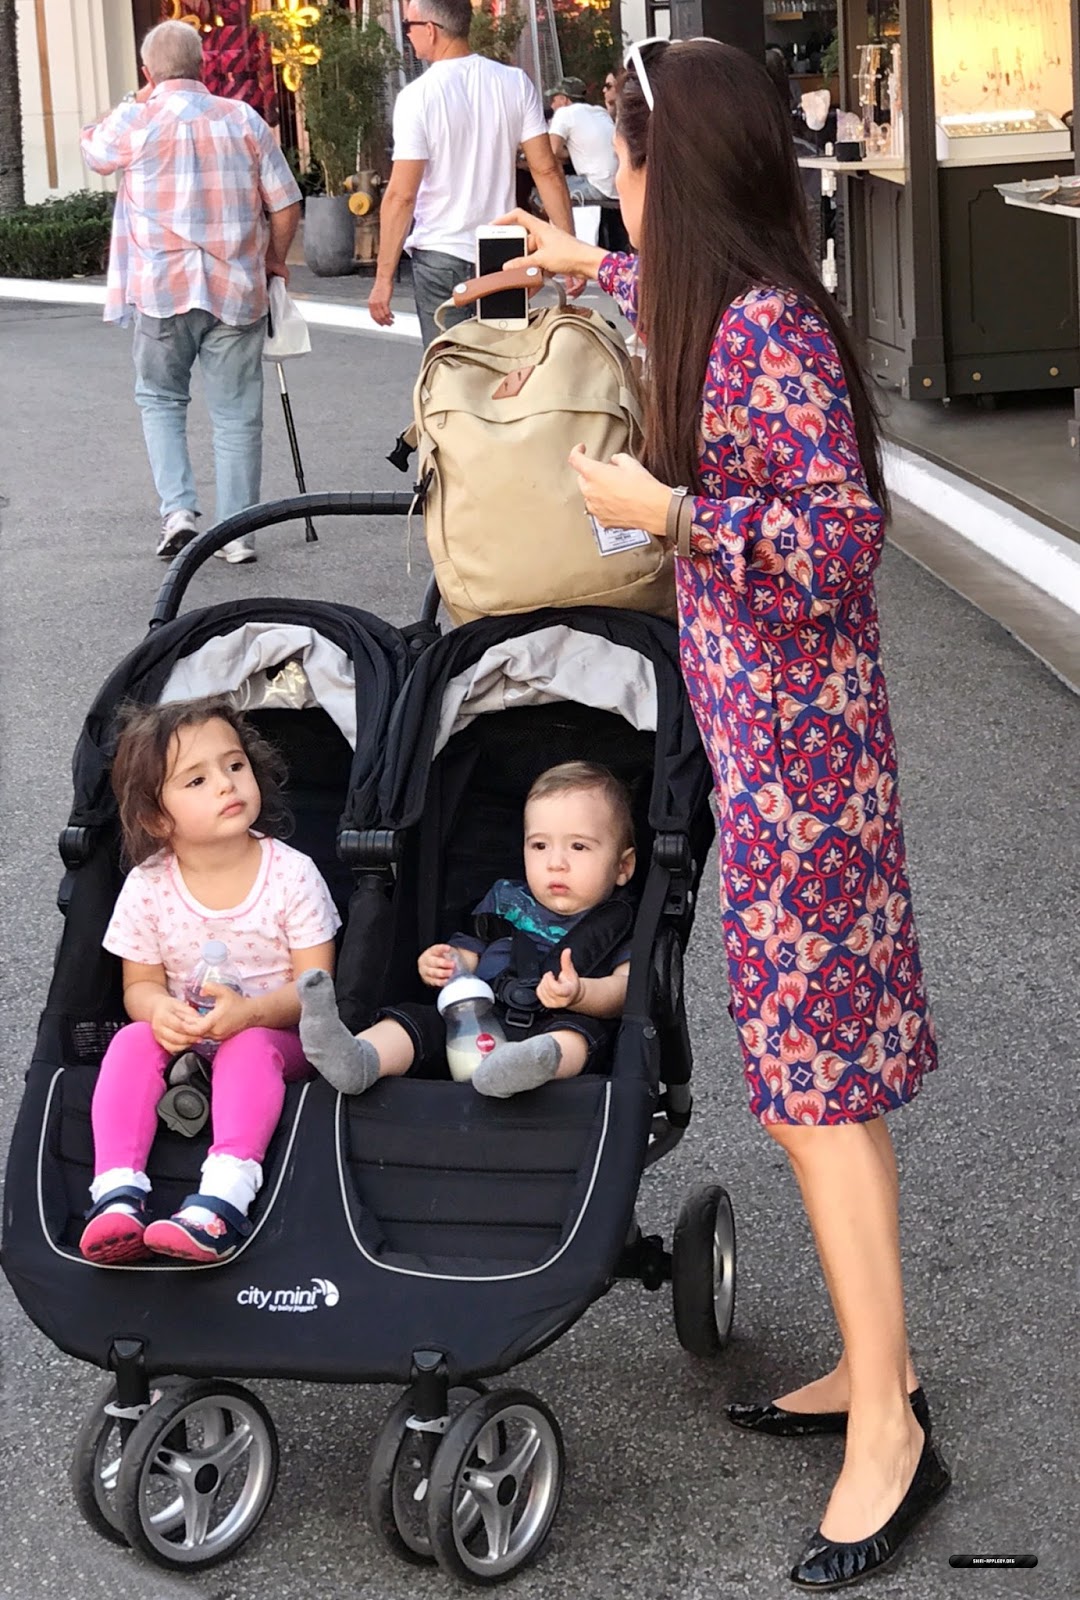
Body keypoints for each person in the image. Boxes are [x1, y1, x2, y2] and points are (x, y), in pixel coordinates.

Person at [496, 38, 950, 1592]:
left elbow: (840, 539)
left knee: (816, 1098)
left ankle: (889, 1429)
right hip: (784, 773)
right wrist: (583, 263)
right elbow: (661, 307)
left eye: (626, 160)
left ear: (670, 170)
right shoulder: (723, 305)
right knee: (813, 1095)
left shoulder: (761, 331)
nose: (616, 186)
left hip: (800, 787)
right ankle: (874, 1366)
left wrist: (669, 512)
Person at [79, 696, 339, 1266]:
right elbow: (139, 985)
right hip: (192, 1035)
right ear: (155, 818)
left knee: (246, 1048)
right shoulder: (149, 887)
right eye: (197, 780)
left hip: (280, 1036)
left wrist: (249, 1014)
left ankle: (223, 1198)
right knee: (130, 1039)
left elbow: (316, 988)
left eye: (235, 765)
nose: (227, 784)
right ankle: (117, 1193)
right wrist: (157, 1011)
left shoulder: (291, 875)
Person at [80, 20, 301, 565]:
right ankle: (238, 534)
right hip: (237, 288)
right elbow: (286, 203)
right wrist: (273, 259)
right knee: (237, 415)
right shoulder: (243, 119)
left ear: (148, 71)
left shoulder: (138, 120)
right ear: (204, 65)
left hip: (161, 289)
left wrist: (137, 97)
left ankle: (178, 512)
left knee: (159, 399)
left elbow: (94, 149)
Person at [298, 762, 635, 1099]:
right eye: (539, 846)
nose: (555, 862)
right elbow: (468, 955)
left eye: (578, 847)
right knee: (414, 1020)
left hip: (555, 1025)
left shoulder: (620, 923)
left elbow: (624, 989)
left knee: (578, 1038)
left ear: (623, 866)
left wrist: (581, 993)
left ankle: (515, 1071)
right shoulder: (505, 899)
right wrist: (445, 962)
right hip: (476, 1018)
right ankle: (360, 1058)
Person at [367, 0, 574, 348]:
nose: (408, 37)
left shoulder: (417, 97)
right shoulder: (514, 82)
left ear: (430, 30)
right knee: (503, 366)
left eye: (408, 27)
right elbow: (546, 170)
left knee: (449, 373)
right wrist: (568, 249)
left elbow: (402, 195)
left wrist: (383, 278)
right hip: (503, 251)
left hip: (440, 254)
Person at [546, 76, 619, 204]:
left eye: (554, 99)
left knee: (544, 189)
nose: (552, 105)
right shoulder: (600, 111)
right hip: (618, 187)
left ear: (564, 99)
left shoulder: (564, 113)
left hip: (598, 186)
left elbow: (552, 150)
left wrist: (570, 154)